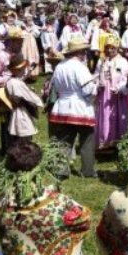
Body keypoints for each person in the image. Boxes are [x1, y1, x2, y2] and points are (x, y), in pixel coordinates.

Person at [48, 38, 98, 178]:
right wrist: (95, 87)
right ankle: (87, 171)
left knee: (64, 140)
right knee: (87, 139)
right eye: (84, 51)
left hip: (62, 106)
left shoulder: (59, 66)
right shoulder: (80, 67)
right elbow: (88, 89)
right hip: (79, 106)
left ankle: (61, 170)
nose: (85, 54)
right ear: (80, 52)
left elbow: (56, 87)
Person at [0, 54, 44, 151]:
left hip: (19, 110)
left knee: (21, 137)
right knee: (24, 136)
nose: (24, 70)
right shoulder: (15, 83)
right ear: (16, 70)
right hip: (20, 113)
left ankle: (20, 155)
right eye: (22, 68)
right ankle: (23, 158)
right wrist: (40, 98)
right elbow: (30, 98)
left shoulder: (15, 81)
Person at [94, 34, 128, 149]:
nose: (109, 51)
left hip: (117, 95)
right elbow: (95, 75)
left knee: (118, 116)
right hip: (104, 94)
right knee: (105, 115)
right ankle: (105, 141)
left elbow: (126, 78)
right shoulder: (101, 61)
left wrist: (120, 88)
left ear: (117, 48)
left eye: (112, 48)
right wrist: (97, 84)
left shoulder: (122, 61)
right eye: (107, 48)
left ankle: (119, 141)